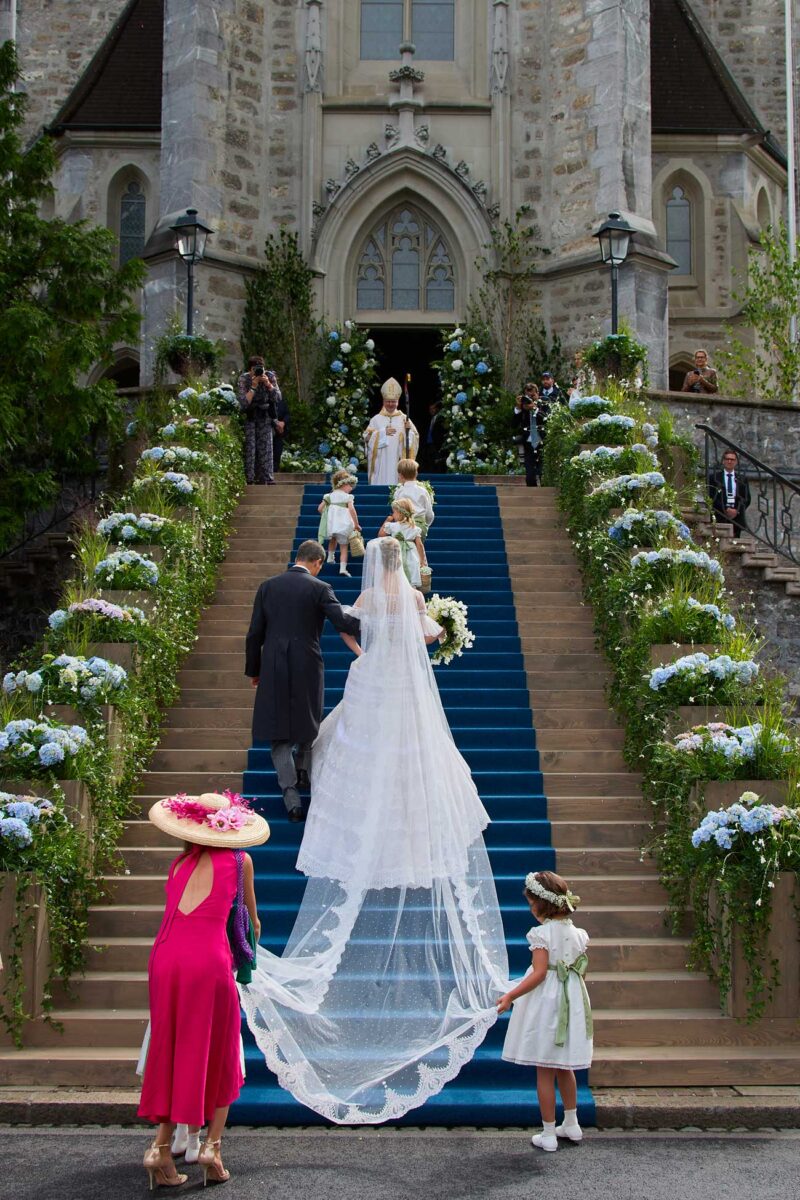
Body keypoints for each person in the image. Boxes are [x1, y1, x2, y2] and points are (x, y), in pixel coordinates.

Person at [239, 538, 509, 1124]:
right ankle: (408, 832)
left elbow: (347, 631)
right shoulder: (412, 595)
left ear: (370, 565)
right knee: (415, 757)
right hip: (405, 689)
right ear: (402, 564)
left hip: (371, 681)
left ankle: (323, 804)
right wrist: (438, 626)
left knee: (351, 750)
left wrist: (366, 649)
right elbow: (432, 636)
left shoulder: (361, 594)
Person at [137, 791, 269, 1189]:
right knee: (220, 1050)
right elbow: (252, 925)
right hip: (208, 962)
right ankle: (212, 1145)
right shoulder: (239, 860)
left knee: (170, 1050)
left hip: (165, 960)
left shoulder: (180, 863)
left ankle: (160, 1149)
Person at [245, 540, 360, 821]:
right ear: (318, 563)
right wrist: (381, 618)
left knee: (278, 734)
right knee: (308, 721)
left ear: (298, 557)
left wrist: (255, 670)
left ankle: (291, 797)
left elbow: (254, 634)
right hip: (307, 663)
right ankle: (303, 771)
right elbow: (343, 622)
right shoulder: (320, 588)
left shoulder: (268, 586)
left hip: (273, 665)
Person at [497, 870, 592, 1153]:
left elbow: (539, 974)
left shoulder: (540, 934)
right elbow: (580, 971)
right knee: (566, 1066)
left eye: (530, 903)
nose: (530, 909)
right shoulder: (579, 934)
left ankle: (549, 1132)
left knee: (545, 1068)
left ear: (541, 904)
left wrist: (511, 995)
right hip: (571, 997)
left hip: (548, 1002)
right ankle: (572, 1123)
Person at [364, 378, 420, 485]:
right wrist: (382, 433)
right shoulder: (376, 419)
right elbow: (367, 437)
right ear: (383, 401)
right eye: (388, 401)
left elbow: (415, 438)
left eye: (393, 401)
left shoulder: (404, 418)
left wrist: (408, 432)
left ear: (398, 402)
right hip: (380, 462)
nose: (390, 404)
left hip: (397, 460)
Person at [238, 355, 278, 485]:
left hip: (265, 415)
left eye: (261, 368)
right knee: (250, 447)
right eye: (256, 369)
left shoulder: (269, 376)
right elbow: (243, 403)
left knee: (266, 447)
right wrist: (254, 386)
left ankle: (267, 477)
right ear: (250, 370)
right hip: (251, 415)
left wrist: (268, 384)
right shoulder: (244, 378)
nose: (259, 372)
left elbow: (278, 397)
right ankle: (250, 478)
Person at [317, 469, 361, 577]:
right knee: (344, 546)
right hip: (343, 525)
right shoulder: (347, 497)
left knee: (333, 539)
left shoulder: (329, 496)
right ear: (344, 484)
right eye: (350, 485)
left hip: (332, 525)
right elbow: (352, 510)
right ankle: (342, 568)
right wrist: (356, 524)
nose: (351, 488)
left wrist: (329, 515)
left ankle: (330, 557)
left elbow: (319, 508)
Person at [378, 496, 427, 589]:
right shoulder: (414, 528)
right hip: (411, 554)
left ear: (399, 513)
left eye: (394, 512)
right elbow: (420, 545)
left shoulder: (392, 526)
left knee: (397, 572)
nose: (393, 514)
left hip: (395, 553)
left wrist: (387, 520)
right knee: (411, 570)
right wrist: (422, 562)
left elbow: (380, 535)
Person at [708, 448, 750, 539]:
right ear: (723, 461)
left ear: (736, 462)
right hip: (720, 515)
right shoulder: (714, 478)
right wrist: (725, 509)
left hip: (736, 518)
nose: (729, 461)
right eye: (727, 459)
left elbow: (746, 498)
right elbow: (711, 496)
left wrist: (737, 510)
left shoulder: (742, 479)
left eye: (732, 459)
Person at [513, 382, 548, 487]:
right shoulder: (522, 407)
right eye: (528, 396)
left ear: (537, 394)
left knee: (543, 471)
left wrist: (535, 409)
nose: (530, 398)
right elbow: (513, 424)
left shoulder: (544, 403)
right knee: (530, 476)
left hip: (542, 441)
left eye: (532, 395)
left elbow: (547, 419)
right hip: (528, 443)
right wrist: (518, 408)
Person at [393, 458, 435, 539]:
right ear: (416, 474)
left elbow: (396, 511)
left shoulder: (399, 492)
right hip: (420, 527)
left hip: (404, 526)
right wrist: (426, 525)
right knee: (418, 549)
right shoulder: (423, 491)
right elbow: (429, 513)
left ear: (401, 475)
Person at [268, 370, 290, 471]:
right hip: (268, 430)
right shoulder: (264, 395)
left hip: (279, 432)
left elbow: (286, 413)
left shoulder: (279, 397)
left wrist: (283, 423)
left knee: (277, 454)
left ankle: (275, 475)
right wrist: (276, 424)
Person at [421, 399, 446, 473]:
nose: (431, 410)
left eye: (433, 409)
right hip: (429, 445)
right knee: (429, 463)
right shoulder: (431, 419)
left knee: (437, 464)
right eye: (430, 409)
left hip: (436, 445)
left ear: (437, 409)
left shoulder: (440, 418)